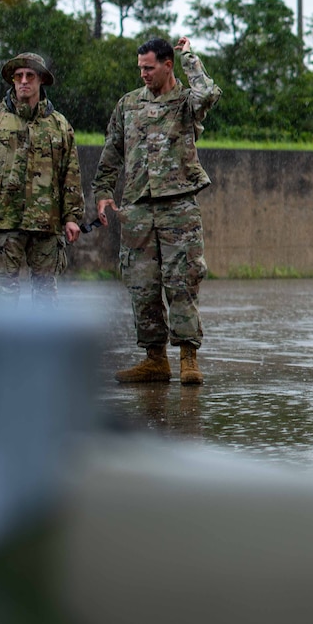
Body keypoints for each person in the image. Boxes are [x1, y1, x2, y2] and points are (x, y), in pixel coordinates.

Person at [93, 36, 221, 385]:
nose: (144, 74)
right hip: (137, 208)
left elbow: (208, 93)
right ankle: (155, 359)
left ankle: (188, 358)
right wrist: (103, 192)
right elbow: (112, 150)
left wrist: (189, 57)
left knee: (182, 282)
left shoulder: (186, 101)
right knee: (142, 286)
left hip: (178, 206)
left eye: (149, 68)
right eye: (140, 68)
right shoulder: (129, 103)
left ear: (167, 65)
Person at [0, 52, 83, 306]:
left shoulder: (59, 125)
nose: (24, 81)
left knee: (46, 299)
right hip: (3, 222)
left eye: (30, 75)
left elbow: (70, 174)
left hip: (46, 224)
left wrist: (72, 217)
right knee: (3, 299)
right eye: (18, 76)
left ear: (41, 80)